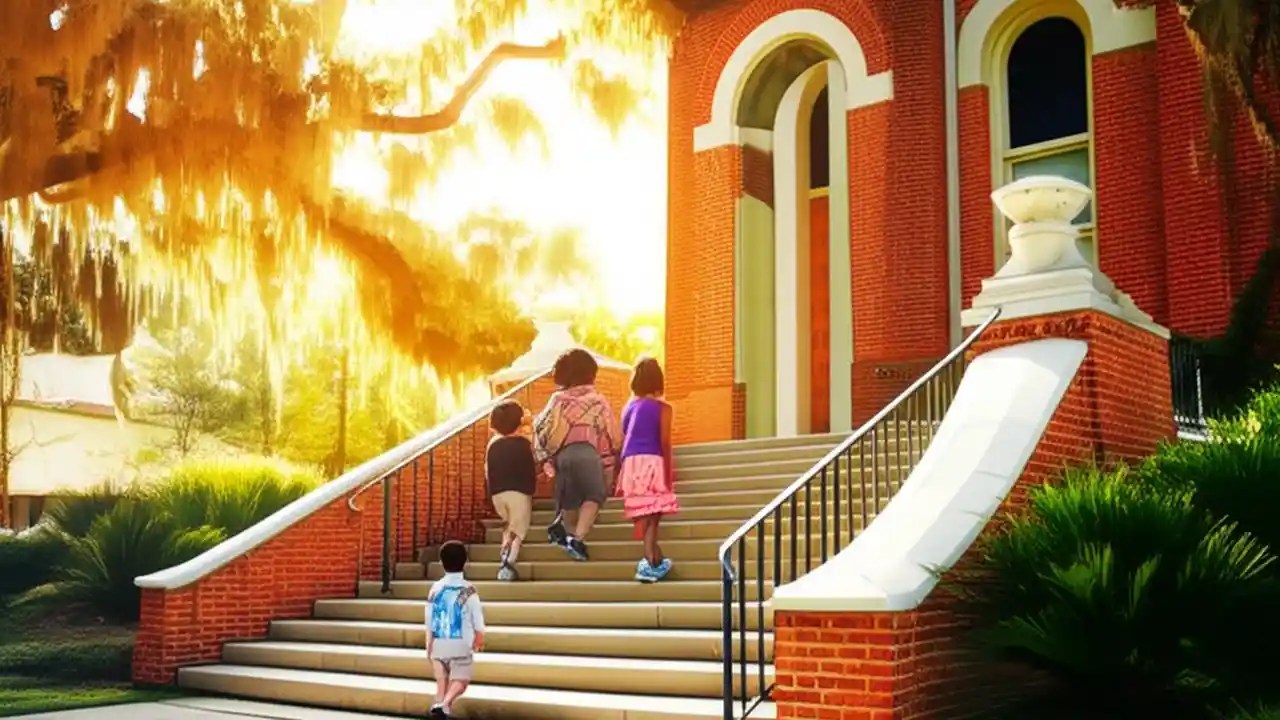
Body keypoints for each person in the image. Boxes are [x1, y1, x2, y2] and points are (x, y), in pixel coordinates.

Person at [533, 348, 621, 562]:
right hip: (588, 453)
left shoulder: (557, 399)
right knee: (594, 495)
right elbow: (612, 433)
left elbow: (540, 427)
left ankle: (568, 532)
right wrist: (615, 454)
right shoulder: (597, 400)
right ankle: (577, 538)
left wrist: (545, 459)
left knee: (569, 500)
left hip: (562, 456)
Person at [616, 357, 680, 582]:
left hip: (630, 462)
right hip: (652, 460)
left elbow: (625, 436)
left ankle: (655, 558)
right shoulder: (663, 408)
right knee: (654, 515)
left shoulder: (628, 408)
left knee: (644, 513)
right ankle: (650, 562)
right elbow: (665, 441)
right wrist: (669, 473)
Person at [426, 541, 486, 719]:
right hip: (460, 643)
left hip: (438, 641)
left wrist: (429, 643)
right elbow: (477, 617)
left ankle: (440, 706)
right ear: (465, 561)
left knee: (441, 681)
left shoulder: (435, 588)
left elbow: (429, 618)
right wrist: (479, 635)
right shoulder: (468, 590)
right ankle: (444, 705)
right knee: (461, 680)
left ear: (441, 562)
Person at [485, 400, 536, 582]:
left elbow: (487, 470)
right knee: (518, 528)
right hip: (519, 491)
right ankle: (507, 563)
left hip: (498, 492)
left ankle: (504, 555)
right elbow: (529, 469)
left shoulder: (492, 444)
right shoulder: (523, 444)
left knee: (508, 525)